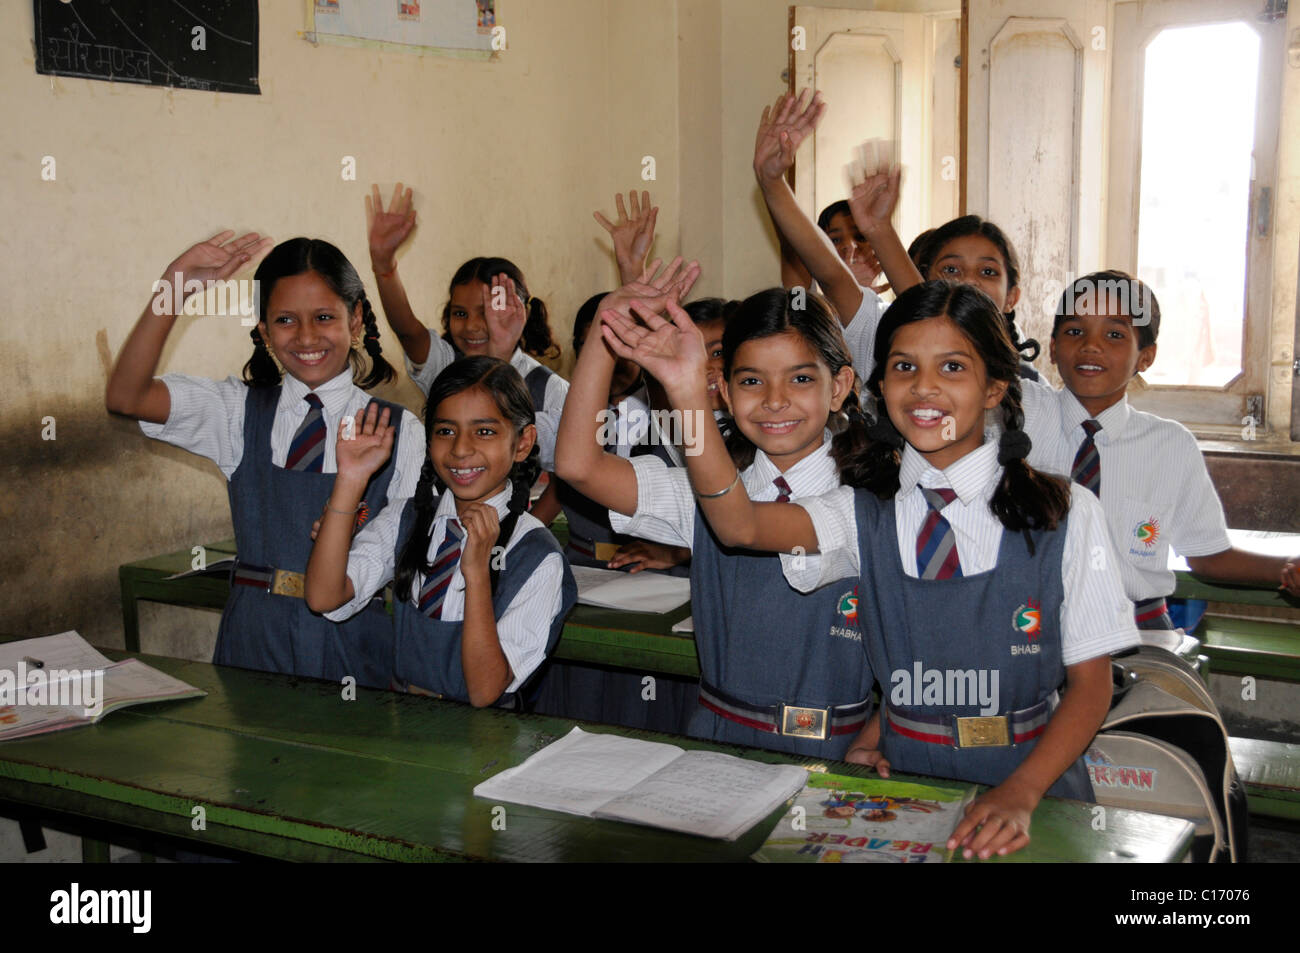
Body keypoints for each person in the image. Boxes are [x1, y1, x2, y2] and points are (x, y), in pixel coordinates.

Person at [600, 280, 1139, 858]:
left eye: (952, 367)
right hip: (903, 787)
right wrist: (686, 393)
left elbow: (1089, 686)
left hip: (1033, 784)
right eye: (904, 367)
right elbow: (739, 525)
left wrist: (1021, 792)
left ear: (995, 388)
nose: (924, 387)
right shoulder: (862, 514)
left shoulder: (1064, 511)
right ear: (881, 387)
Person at [556, 262, 878, 759]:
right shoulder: (701, 492)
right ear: (725, 392)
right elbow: (578, 465)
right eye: (751, 381)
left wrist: (687, 395)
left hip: (827, 751)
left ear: (838, 387)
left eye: (799, 378)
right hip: (713, 742)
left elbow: (741, 525)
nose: (775, 401)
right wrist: (606, 328)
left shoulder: (861, 504)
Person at [106, 232, 423, 688]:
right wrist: (174, 287)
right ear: (263, 329)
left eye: (324, 317)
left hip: (352, 639)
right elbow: (126, 396)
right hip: (252, 638)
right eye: (286, 320)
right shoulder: (238, 412)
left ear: (355, 321)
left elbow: (392, 545)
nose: (307, 336)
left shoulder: (399, 430)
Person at [306, 357, 575, 706]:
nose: (461, 449)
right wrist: (350, 481)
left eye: (485, 431)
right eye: (445, 431)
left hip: (484, 746)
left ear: (522, 443)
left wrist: (477, 573)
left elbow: (484, 691)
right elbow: (323, 597)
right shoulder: (408, 517)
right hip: (403, 728)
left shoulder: (539, 558)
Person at [1049, 271, 1300, 626]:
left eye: (1115, 334)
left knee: (1163, 685)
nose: (1091, 345)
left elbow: (1208, 555)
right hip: (1033, 625)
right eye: (1075, 331)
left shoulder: (1170, 446)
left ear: (1145, 358)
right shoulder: (1020, 426)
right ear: (1052, 346)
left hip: (1137, 630)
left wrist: (1287, 566)